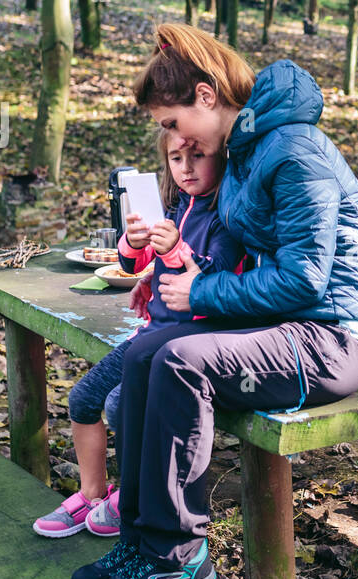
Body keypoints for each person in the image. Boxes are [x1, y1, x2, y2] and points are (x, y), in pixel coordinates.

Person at [70, 23, 358, 579]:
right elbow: (225, 245)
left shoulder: (294, 152)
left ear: (207, 97)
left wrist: (202, 289)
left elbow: (304, 278)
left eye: (171, 121)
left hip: (331, 336)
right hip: (277, 322)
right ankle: (140, 541)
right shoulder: (245, 149)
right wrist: (160, 259)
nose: (169, 136)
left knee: (181, 362)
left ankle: (179, 555)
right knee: (145, 353)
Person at [32, 126, 245, 538]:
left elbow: (216, 275)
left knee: (119, 405)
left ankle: (130, 496)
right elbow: (131, 267)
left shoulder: (227, 218)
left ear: (221, 156)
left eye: (197, 157)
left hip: (189, 342)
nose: (186, 169)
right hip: (151, 331)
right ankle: (93, 491)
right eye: (176, 159)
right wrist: (133, 245)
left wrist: (175, 250)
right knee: (84, 398)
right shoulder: (175, 206)